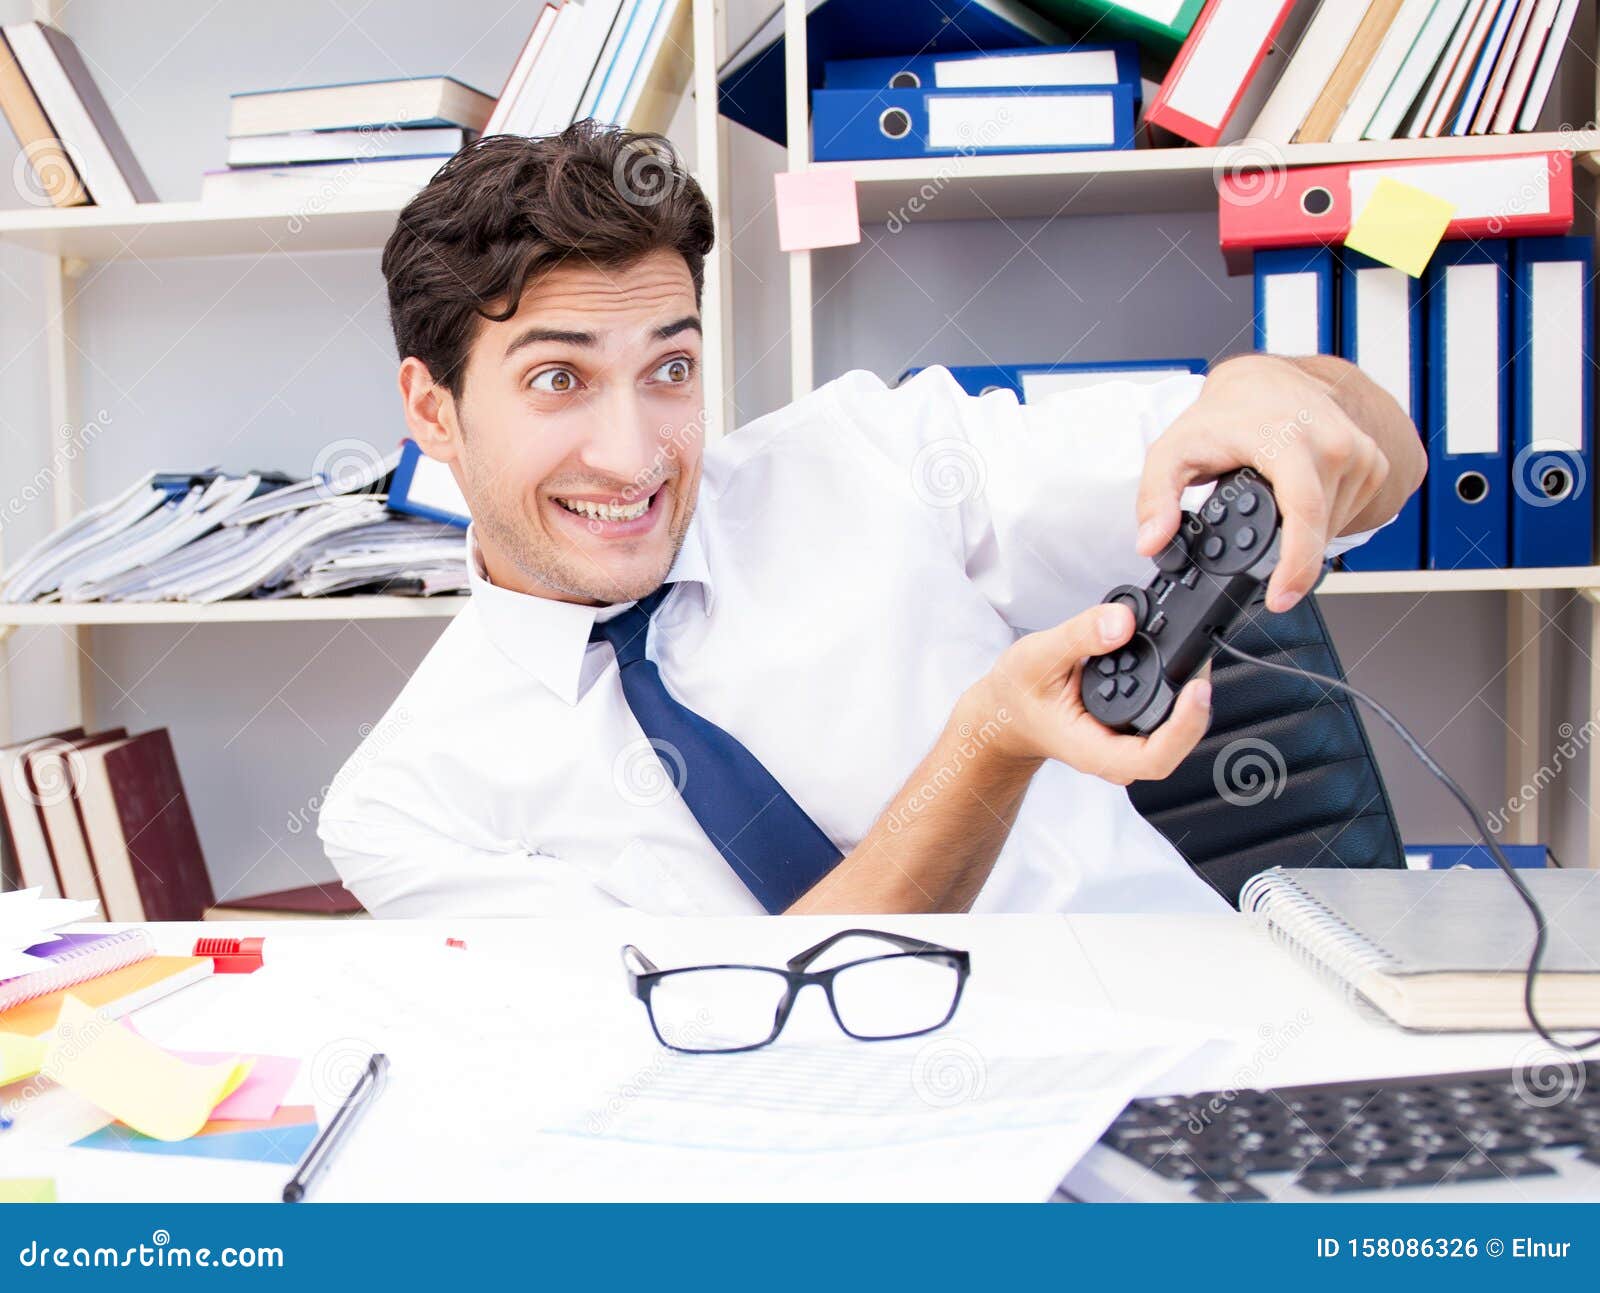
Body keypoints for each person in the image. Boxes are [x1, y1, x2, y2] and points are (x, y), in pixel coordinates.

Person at [318, 121, 1425, 919]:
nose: (633, 452)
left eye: (669, 368)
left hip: (1188, 1073)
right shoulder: (411, 801)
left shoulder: (878, 458)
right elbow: (723, 1051)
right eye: (558, 380)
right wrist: (986, 747)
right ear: (433, 410)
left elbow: (1377, 450)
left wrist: (1279, 392)